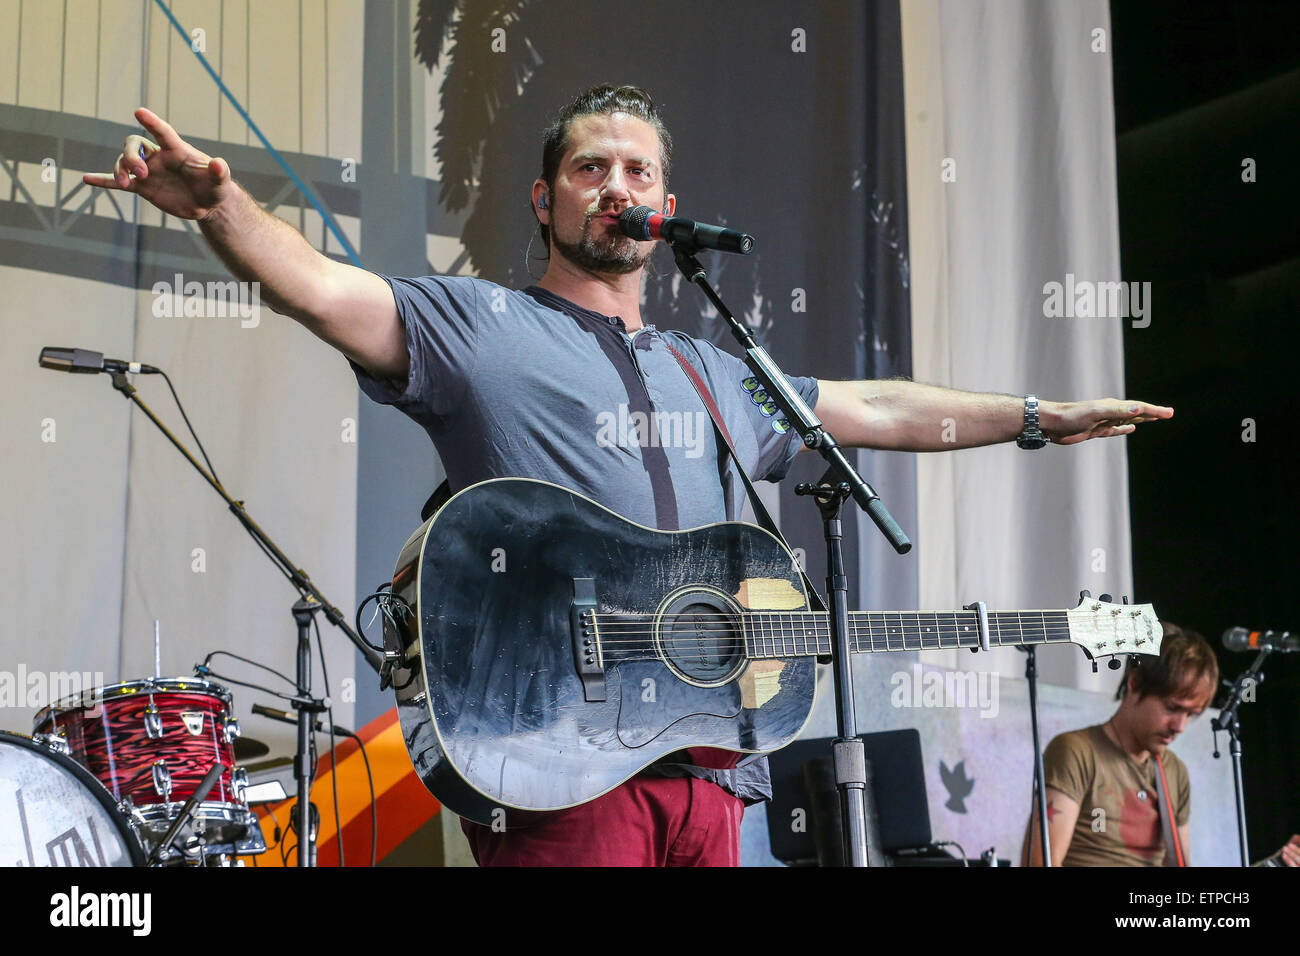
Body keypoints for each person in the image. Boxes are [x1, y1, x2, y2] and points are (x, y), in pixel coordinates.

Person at [87, 84, 1175, 867]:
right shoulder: (480, 326)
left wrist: (1037, 415)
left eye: (638, 170)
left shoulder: (716, 373)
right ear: (545, 199)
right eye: (589, 168)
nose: (617, 185)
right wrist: (222, 210)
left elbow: (878, 405)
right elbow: (327, 292)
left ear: (665, 204)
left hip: (709, 770)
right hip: (554, 755)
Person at [1022, 621, 1300, 866]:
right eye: (1172, 708)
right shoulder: (1075, 752)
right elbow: (1038, 863)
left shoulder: (1173, 772)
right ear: (1135, 683)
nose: (1180, 726)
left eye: (1190, 715)